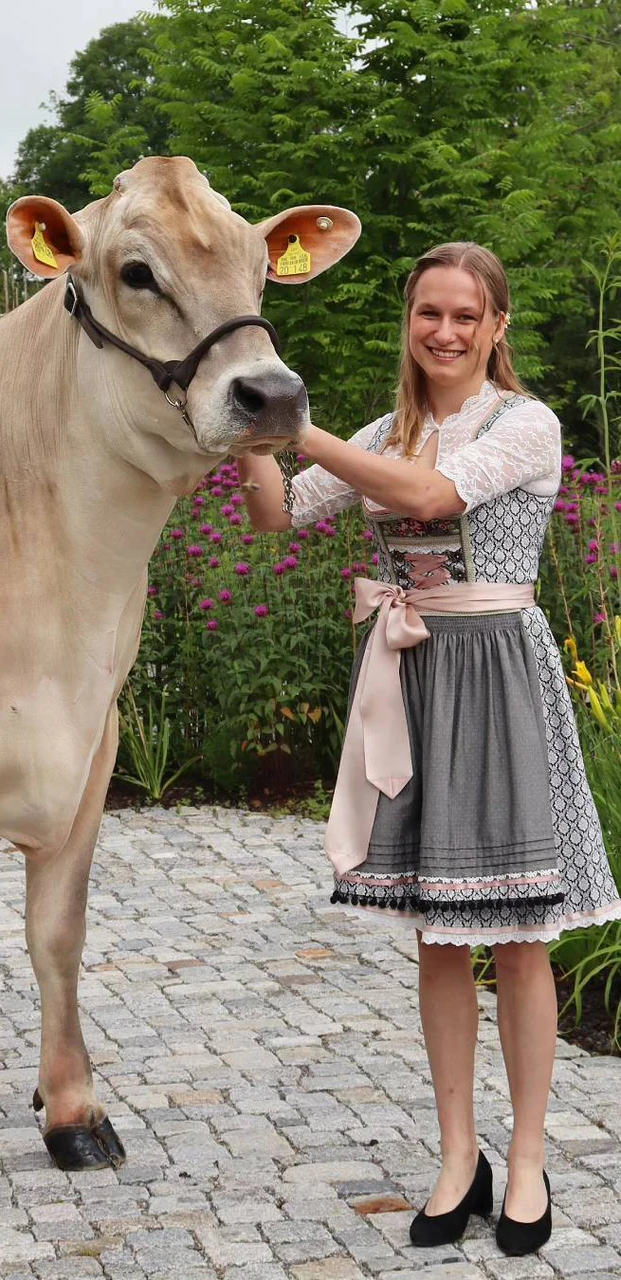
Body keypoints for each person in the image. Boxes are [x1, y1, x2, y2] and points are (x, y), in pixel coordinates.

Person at [237, 242, 621, 1257]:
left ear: (496, 327)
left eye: (464, 315)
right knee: (439, 934)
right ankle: (459, 1155)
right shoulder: (385, 431)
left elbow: (430, 498)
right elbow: (276, 514)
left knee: (520, 933)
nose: (444, 332)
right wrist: (248, 418)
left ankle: (527, 1158)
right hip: (413, 677)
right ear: (407, 321)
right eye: (427, 313)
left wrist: (299, 427)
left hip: (497, 674)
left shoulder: (524, 424)